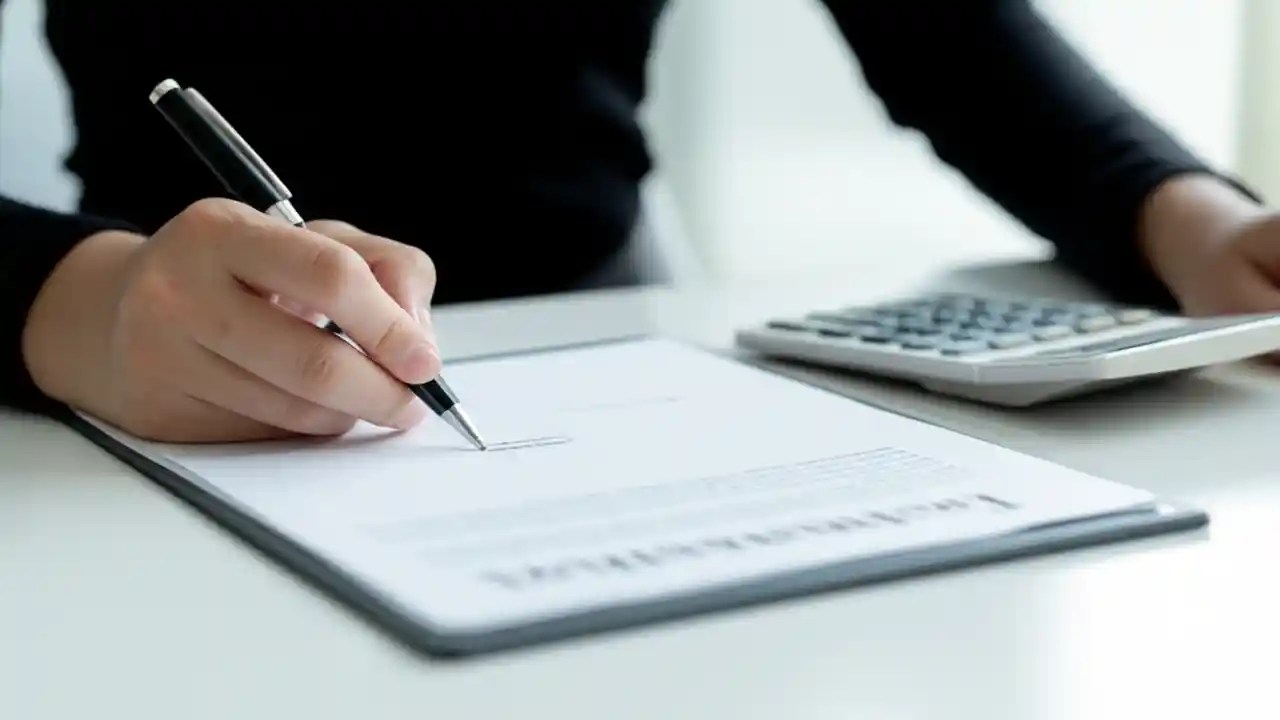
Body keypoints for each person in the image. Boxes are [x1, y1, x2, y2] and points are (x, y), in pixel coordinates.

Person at [1, 1, 1276, 442]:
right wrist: (74, 300)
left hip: (606, 295)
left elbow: (949, 37)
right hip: (163, 332)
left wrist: (1188, 219)